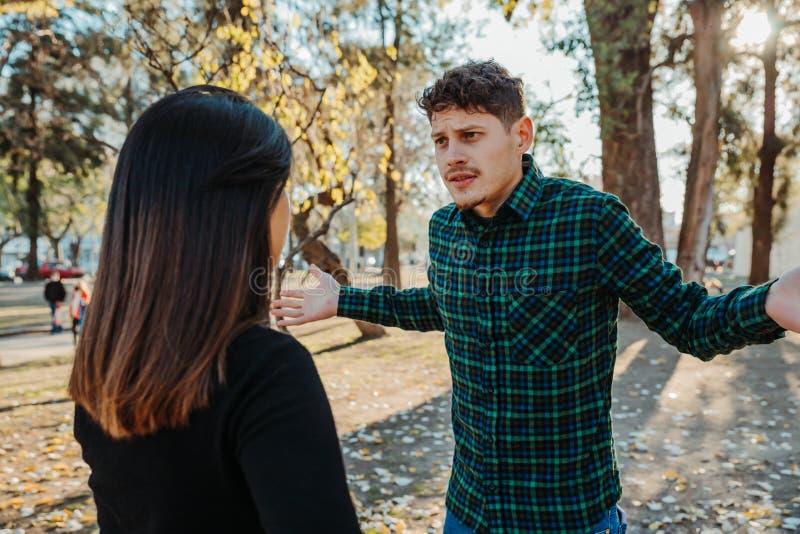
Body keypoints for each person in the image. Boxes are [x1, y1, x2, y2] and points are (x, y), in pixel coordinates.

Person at [271, 60, 800, 533]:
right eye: (440, 140)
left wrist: (771, 302)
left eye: (471, 135)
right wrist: (344, 301)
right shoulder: (443, 229)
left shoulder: (589, 219)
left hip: (568, 518)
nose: (452, 155)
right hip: (468, 512)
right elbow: (439, 305)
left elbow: (688, 318)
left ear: (521, 134)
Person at [69, 86, 361, 534]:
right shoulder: (265, 371)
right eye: (280, 189)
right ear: (237, 212)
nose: (286, 204)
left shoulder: (104, 368)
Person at [69, 279, 91, 346]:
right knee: (74, 329)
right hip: (75, 313)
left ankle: (82, 342)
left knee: (81, 328)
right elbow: (72, 303)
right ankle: (75, 343)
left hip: (81, 314)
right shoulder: (75, 293)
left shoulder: (85, 293)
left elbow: (87, 302)